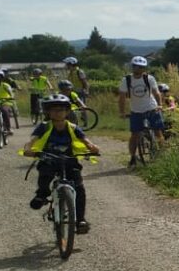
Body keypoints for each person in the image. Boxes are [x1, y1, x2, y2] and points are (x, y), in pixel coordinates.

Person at [24, 93, 101, 233]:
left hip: (69, 160)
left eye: (61, 109)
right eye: (53, 109)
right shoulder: (44, 126)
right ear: (47, 112)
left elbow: (85, 140)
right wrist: (28, 149)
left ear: (67, 111)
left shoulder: (72, 127)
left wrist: (92, 147)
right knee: (45, 174)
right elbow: (32, 140)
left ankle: (80, 220)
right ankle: (42, 194)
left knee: (79, 188)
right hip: (49, 158)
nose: (58, 112)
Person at [117, 56, 161, 164]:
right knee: (134, 135)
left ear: (144, 68)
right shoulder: (126, 80)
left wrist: (159, 105)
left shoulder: (149, 79)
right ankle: (132, 157)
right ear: (132, 67)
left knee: (158, 132)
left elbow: (156, 93)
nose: (138, 69)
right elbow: (121, 98)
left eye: (141, 67)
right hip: (136, 110)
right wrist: (122, 112)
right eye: (136, 66)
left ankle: (160, 156)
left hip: (151, 108)